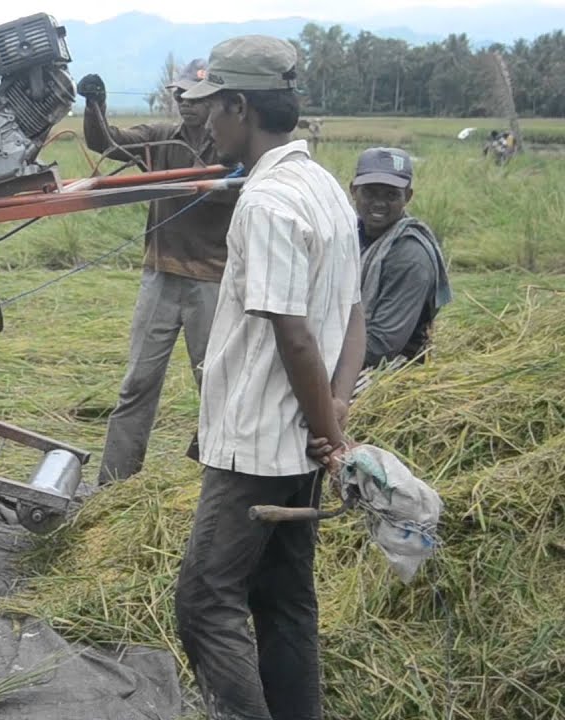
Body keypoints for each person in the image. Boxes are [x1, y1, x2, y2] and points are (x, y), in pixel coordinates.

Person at [171, 35, 367, 719]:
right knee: (284, 598)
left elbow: (294, 332)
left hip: (257, 443)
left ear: (238, 105)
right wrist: (333, 417)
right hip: (303, 441)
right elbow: (352, 315)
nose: (204, 124)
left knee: (203, 600)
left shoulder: (268, 202)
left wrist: (329, 431)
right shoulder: (325, 188)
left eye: (210, 110)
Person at [77, 59, 239, 485]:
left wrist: (197, 185)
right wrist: (96, 106)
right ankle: (114, 484)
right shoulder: (161, 138)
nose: (186, 103)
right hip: (160, 278)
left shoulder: (233, 149)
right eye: (181, 94)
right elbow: (109, 143)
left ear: (218, 101)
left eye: (197, 97)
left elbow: (226, 197)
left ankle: (218, 481)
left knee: (215, 386)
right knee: (137, 385)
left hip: (211, 282)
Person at [350, 147, 452, 371]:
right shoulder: (349, 235)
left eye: (390, 195)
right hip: (351, 350)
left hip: (389, 373)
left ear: (407, 196)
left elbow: (380, 347)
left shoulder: (409, 257)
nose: (378, 203)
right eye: (370, 192)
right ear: (353, 191)